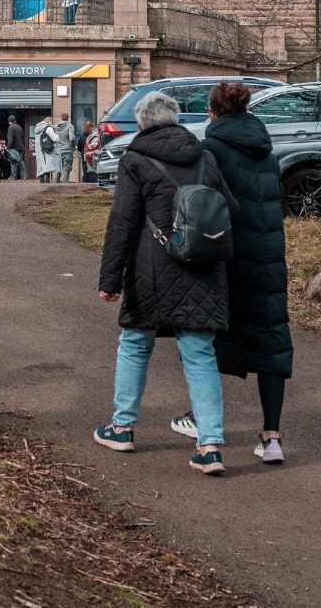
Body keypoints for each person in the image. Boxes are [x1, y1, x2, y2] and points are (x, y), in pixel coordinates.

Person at [93, 91, 236, 475]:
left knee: (135, 344)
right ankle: (209, 446)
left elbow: (121, 224)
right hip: (203, 266)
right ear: (174, 120)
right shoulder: (205, 156)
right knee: (200, 354)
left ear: (141, 123)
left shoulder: (136, 159)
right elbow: (230, 209)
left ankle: (122, 428)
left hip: (150, 268)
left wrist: (110, 280)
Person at [171, 80, 292, 466]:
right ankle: (271, 438)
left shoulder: (211, 150)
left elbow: (203, 203)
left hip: (224, 253)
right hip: (269, 256)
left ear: (212, 113)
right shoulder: (267, 151)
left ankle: (198, 418)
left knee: (210, 335)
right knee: (271, 341)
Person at [35, 115, 62, 183]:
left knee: (41, 170)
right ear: (49, 122)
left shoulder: (37, 129)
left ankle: (42, 186)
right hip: (47, 150)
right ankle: (46, 187)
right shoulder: (48, 128)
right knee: (47, 169)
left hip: (39, 151)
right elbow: (55, 138)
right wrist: (57, 135)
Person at [54, 112, 76, 183]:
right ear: (68, 118)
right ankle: (65, 186)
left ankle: (54, 187)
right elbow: (72, 138)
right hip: (67, 150)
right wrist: (73, 147)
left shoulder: (55, 127)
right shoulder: (70, 126)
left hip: (58, 150)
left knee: (58, 170)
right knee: (66, 169)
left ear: (61, 118)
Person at [5, 114, 26, 181]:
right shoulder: (19, 127)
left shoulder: (10, 127)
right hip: (20, 147)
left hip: (14, 147)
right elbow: (22, 138)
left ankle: (13, 176)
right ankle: (24, 176)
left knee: (13, 162)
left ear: (9, 121)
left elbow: (10, 139)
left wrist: (8, 147)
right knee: (20, 162)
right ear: (15, 120)